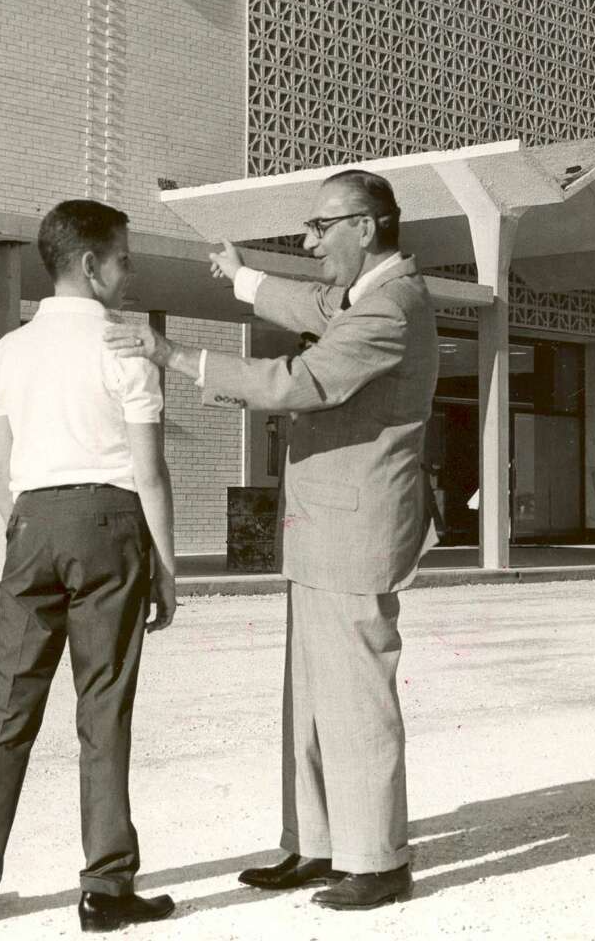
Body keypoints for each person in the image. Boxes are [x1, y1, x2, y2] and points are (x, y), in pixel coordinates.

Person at [105, 169, 438, 912]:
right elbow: (316, 301)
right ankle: (320, 845)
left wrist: (177, 357)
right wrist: (244, 278)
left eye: (322, 228)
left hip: (356, 532)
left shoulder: (391, 307)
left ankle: (379, 860)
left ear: (370, 226)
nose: (311, 242)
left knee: (355, 701)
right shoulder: (365, 295)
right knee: (314, 701)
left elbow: (302, 382)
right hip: (328, 529)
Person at [0, 199, 178, 932]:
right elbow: (150, 472)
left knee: (8, 708)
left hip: (30, 524)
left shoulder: (8, 352)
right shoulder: (124, 350)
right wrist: (167, 566)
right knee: (103, 707)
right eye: (123, 257)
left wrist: (13, 550)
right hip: (111, 525)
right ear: (90, 264)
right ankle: (105, 887)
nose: (129, 270)